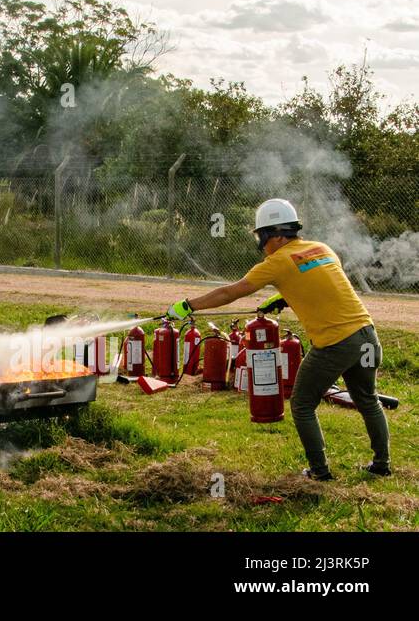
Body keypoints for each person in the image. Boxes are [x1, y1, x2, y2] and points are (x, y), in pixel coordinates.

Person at [164, 198, 390, 480]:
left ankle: (319, 472)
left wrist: (189, 305)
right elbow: (320, 282)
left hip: (336, 343)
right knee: (367, 399)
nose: (262, 244)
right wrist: (283, 296)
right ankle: (382, 466)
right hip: (367, 335)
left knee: (302, 404)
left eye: (262, 237)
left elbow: (231, 292)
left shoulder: (277, 261)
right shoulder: (322, 248)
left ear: (275, 235)